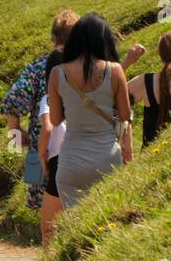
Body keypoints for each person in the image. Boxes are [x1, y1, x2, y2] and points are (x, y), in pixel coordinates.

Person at [46, 13, 133, 208]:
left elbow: (55, 120)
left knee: (75, 228)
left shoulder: (57, 73)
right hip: (107, 158)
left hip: (71, 162)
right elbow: (125, 115)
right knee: (108, 220)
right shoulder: (115, 70)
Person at [0, 10, 81, 212]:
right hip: (82, 142)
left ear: (53, 38)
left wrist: (16, 129)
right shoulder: (90, 66)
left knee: (43, 204)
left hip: (41, 145)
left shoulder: (37, 67)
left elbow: (13, 101)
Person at [126, 31, 171, 147]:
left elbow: (109, 94)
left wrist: (127, 62)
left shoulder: (147, 82)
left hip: (151, 153)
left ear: (161, 56)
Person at [36, 58, 66, 242]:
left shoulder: (48, 98)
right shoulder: (85, 93)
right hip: (89, 153)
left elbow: (47, 129)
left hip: (60, 160)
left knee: (49, 228)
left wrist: (41, 155)